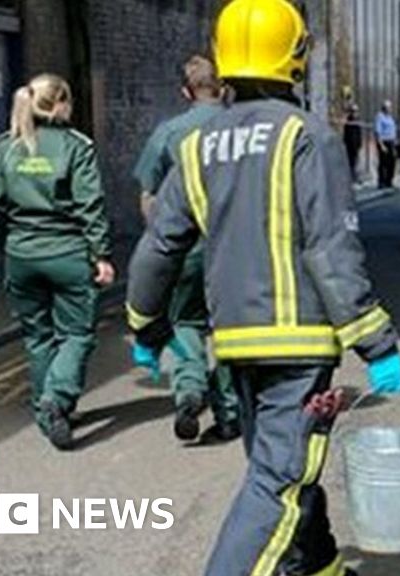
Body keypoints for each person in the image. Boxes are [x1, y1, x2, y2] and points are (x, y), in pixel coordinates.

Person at [125, 1, 400, 574]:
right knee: (279, 482)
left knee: (279, 466)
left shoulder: (198, 146)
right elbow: (330, 249)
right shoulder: (309, 137)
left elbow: (160, 245)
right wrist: (375, 343)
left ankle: (317, 567)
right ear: (295, 58)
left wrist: (145, 325)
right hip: (297, 348)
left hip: (237, 345)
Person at [0, 74, 115, 450]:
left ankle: (46, 412)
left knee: (38, 336)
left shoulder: (6, 147)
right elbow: (90, 206)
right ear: (62, 104)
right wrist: (101, 255)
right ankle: (57, 399)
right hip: (67, 254)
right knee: (77, 333)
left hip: (21, 256)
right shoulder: (75, 146)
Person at [130, 55, 241, 442]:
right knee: (229, 329)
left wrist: (162, 238)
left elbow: (148, 194)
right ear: (223, 88)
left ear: (185, 91)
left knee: (186, 322)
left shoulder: (169, 132)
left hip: (186, 248)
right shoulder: (242, 129)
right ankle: (229, 414)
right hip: (233, 247)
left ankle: (190, 389)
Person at [375, 99, 398, 188]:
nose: (389, 109)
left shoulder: (390, 118)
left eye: (390, 107)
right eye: (388, 107)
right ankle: (382, 181)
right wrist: (381, 145)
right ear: (384, 108)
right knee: (383, 162)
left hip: (391, 141)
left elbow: (393, 130)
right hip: (384, 141)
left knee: (392, 162)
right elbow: (378, 132)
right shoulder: (380, 117)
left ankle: (389, 180)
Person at [343, 103, 363, 183]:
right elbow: (346, 135)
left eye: (356, 111)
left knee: (356, 161)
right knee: (351, 162)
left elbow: (359, 134)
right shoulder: (348, 121)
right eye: (353, 111)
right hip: (350, 145)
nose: (355, 113)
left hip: (356, 145)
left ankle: (356, 177)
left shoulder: (357, 121)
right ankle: (351, 177)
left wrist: (359, 143)